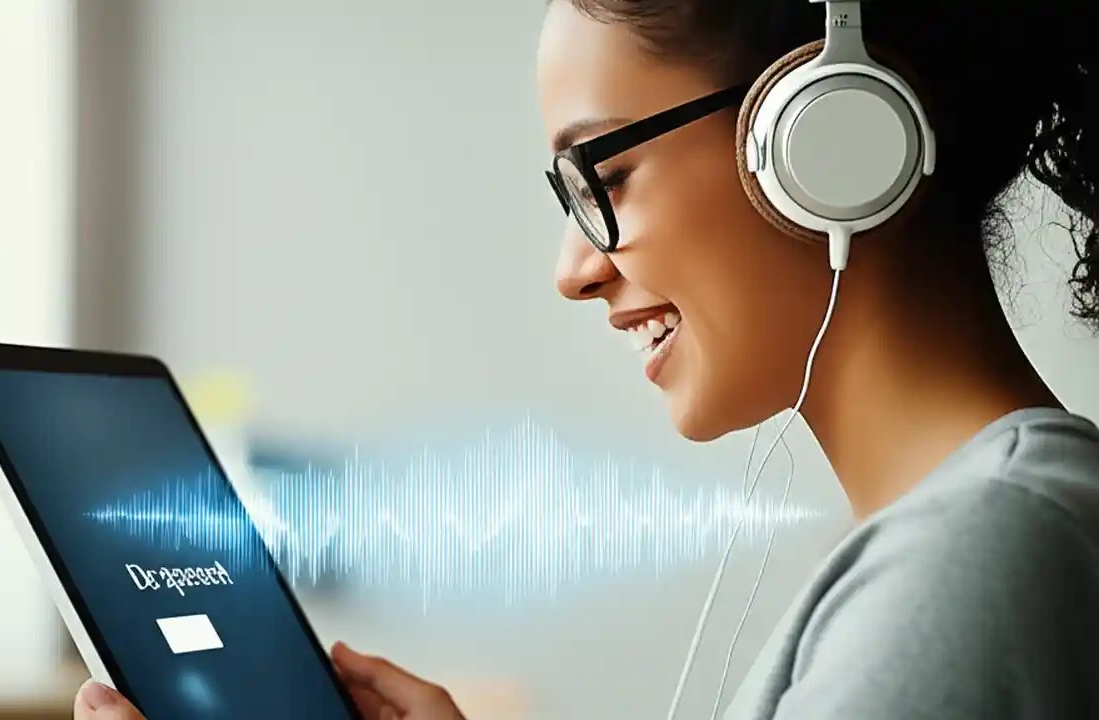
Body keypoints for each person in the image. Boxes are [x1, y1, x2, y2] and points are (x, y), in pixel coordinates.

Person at [74, 1, 1099, 718]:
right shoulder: (973, 537)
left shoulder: (970, 562)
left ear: (825, 138)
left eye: (602, 175)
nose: (573, 271)